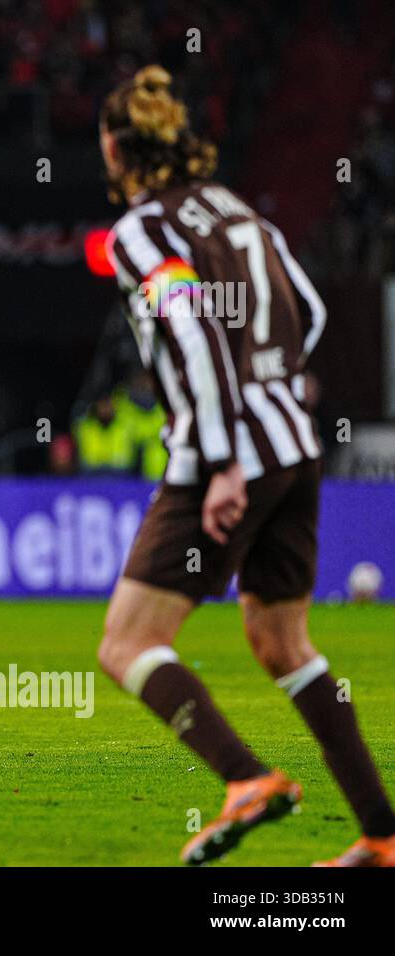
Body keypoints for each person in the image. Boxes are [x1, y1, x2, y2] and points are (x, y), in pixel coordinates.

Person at [95, 65, 394, 867]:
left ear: (120, 150)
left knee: (127, 645)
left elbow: (192, 331)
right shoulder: (238, 212)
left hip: (225, 454)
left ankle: (244, 779)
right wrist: (278, 386)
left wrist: (223, 460)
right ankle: (383, 834)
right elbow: (313, 308)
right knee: (282, 642)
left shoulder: (142, 230)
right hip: (295, 446)